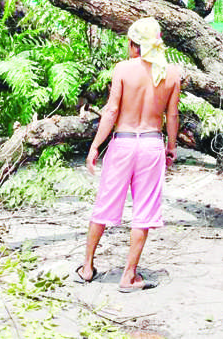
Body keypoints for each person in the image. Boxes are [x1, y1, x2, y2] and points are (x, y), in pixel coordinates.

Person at [78, 17, 182, 292]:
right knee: (144, 212)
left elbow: (111, 110)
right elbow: (172, 115)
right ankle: (129, 276)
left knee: (105, 203)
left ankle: (87, 267)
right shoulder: (171, 73)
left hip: (123, 143)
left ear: (134, 45)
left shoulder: (123, 69)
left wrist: (95, 146)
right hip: (151, 145)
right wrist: (171, 147)